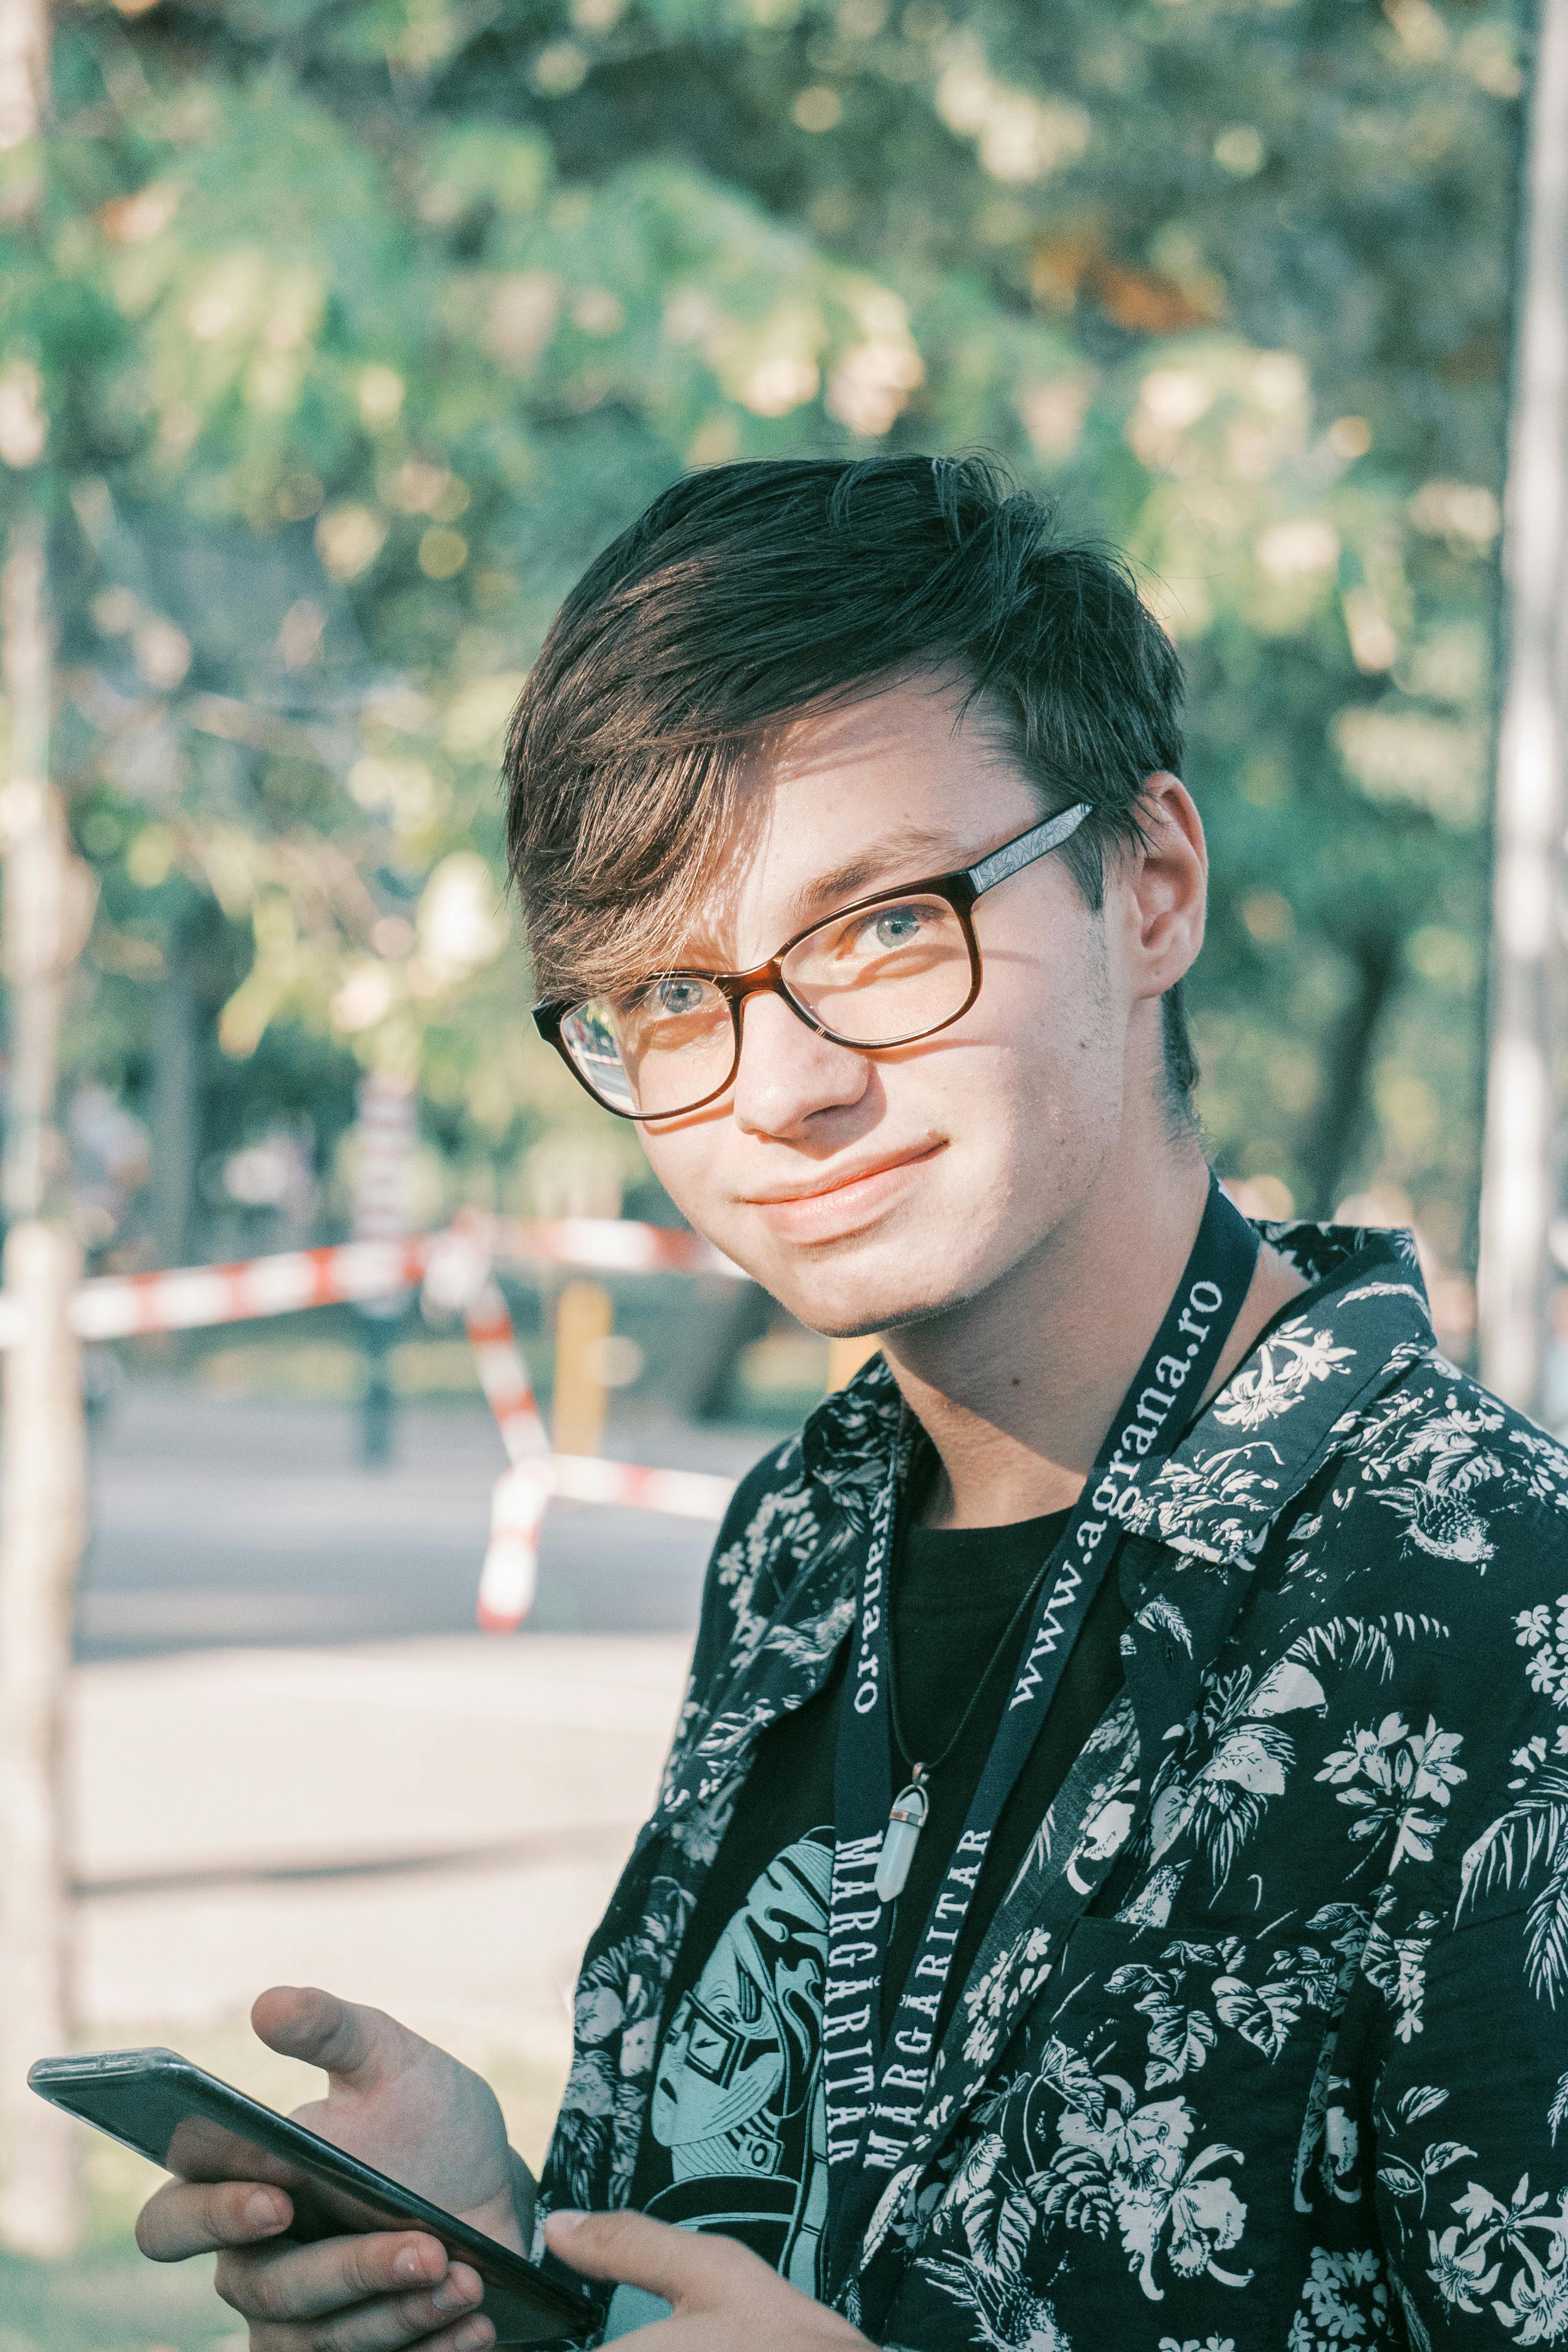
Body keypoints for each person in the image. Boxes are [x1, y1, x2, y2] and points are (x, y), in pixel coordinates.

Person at [136, 458, 1568, 2350]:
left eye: (888, 926)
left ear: (1152, 888)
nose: (780, 1087)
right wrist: (510, 2266)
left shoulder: (1494, 1602)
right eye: (666, 992)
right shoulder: (804, 1533)